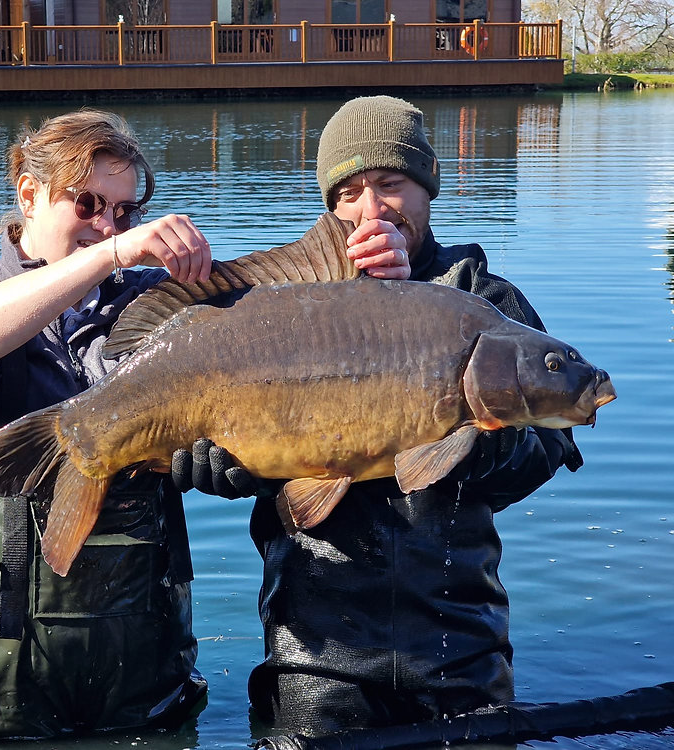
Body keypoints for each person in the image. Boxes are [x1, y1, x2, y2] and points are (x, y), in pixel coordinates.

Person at [244, 95, 584, 737]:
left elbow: (541, 456)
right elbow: (231, 465)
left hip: (460, 648)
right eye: (348, 192)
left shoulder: (484, 302)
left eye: (390, 185)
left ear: (427, 188)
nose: (370, 210)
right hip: (315, 659)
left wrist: (462, 415)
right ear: (329, 207)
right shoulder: (281, 316)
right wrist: (226, 463)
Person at [0, 109, 218, 741]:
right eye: (89, 202)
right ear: (29, 195)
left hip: (142, 691)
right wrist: (113, 253)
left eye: (125, 212)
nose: (108, 225)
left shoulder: (160, 306)